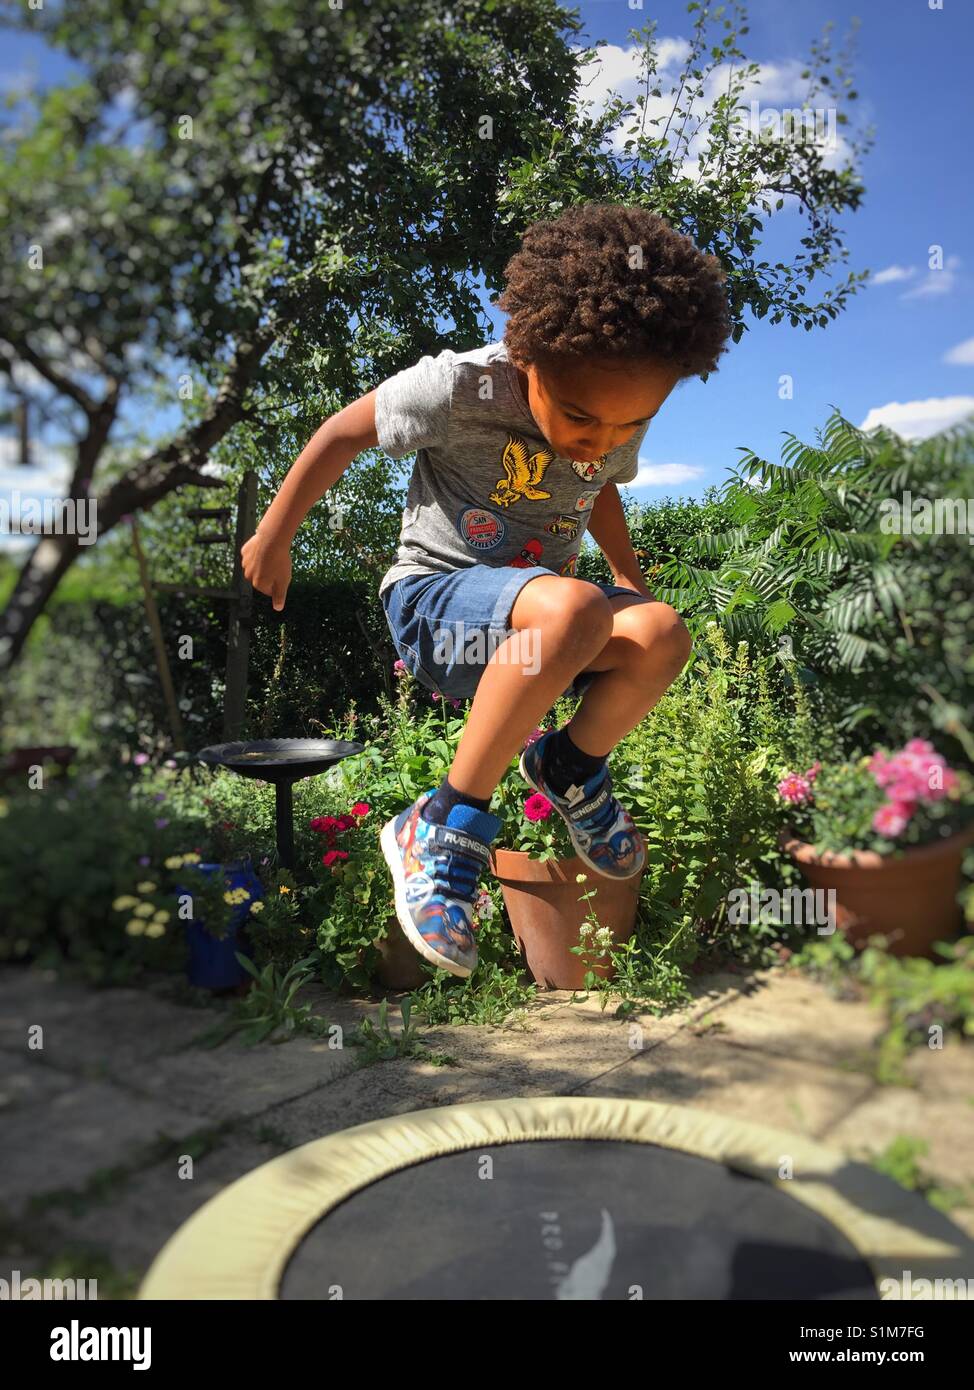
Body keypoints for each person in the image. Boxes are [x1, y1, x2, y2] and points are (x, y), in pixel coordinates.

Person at [242, 202, 733, 980]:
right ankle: (440, 821)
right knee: (570, 604)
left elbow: (600, 485)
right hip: (435, 605)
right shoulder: (459, 387)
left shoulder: (612, 420)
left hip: (539, 630)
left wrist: (631, 576)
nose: (598, 441)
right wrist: (274, 536)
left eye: (628, 425)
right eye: (578, 417)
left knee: (662, 632)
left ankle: (568, 766)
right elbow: (342, 431)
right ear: (527, 357)